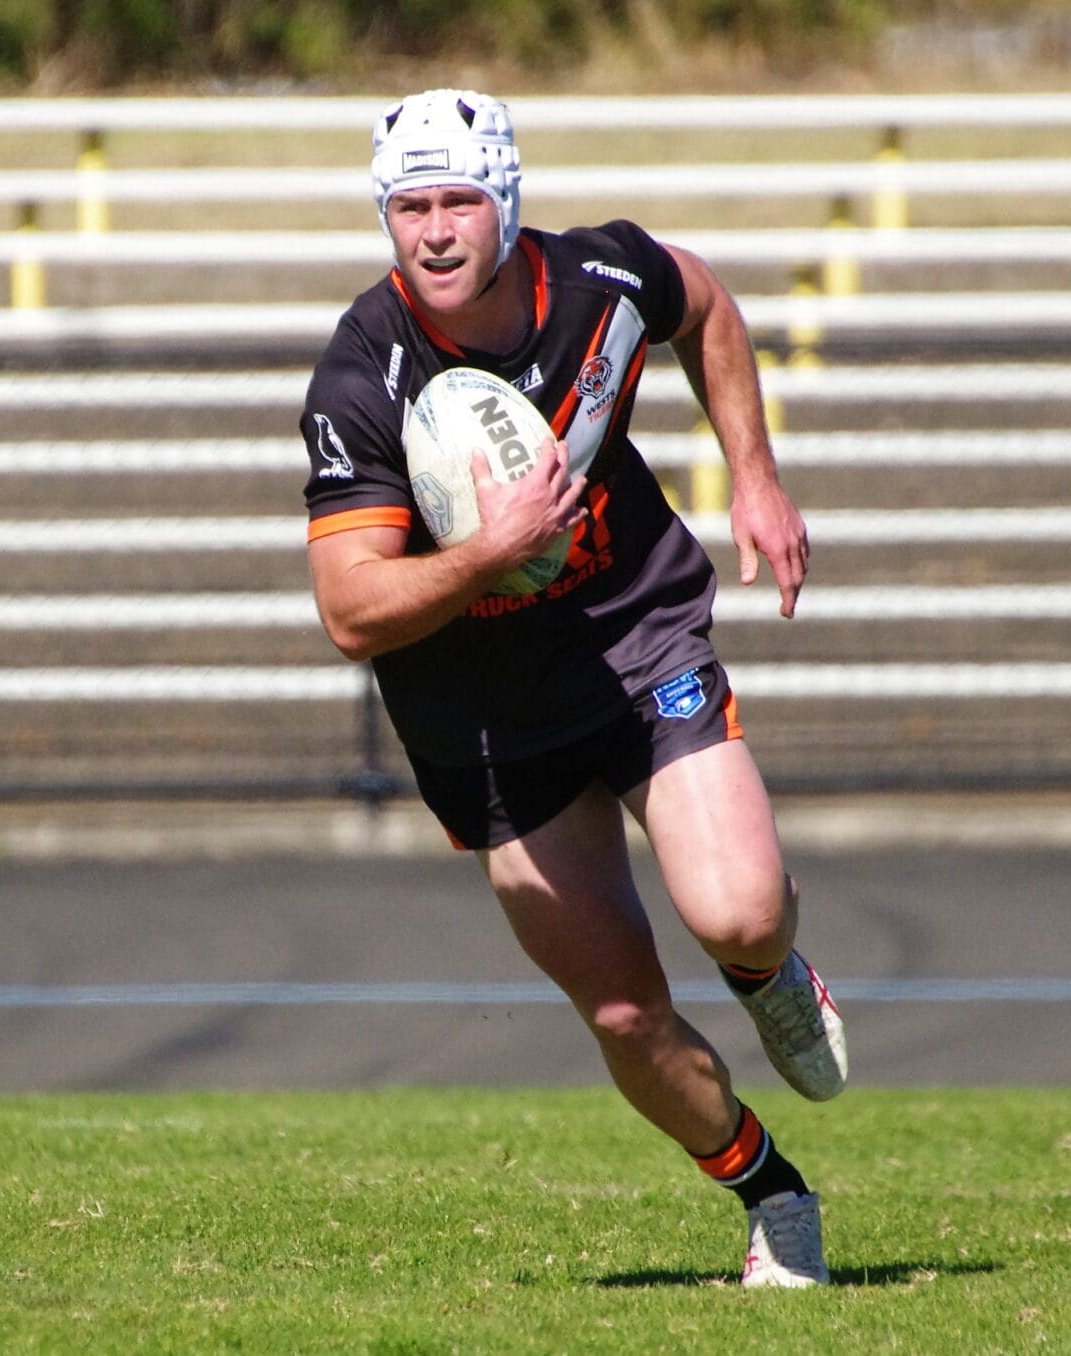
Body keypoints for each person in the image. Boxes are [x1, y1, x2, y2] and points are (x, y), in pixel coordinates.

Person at [298, 89, 846, 1289]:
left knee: (740, 914)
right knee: (620, 1014)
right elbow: (348, 611)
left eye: (455, 202)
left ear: (504, 202)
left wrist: (752, 476)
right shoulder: (360, 374)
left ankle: (771, 977)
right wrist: (492, 551)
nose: (433, 231)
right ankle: (771, 1191)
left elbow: (700, 299)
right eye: (407, 208)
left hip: (631, 639)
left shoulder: (596, 280)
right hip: (484, 723)